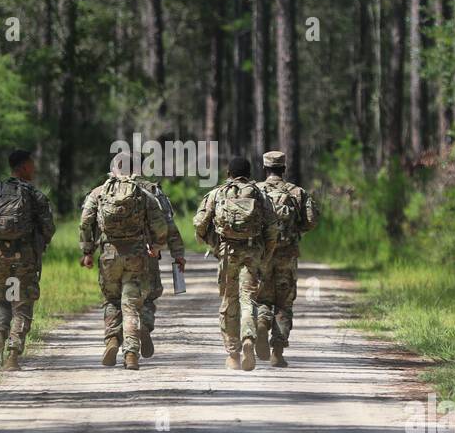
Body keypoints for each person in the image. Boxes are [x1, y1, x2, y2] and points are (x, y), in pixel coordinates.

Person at [0, 149, 56, 371]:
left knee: (1, 301)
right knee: (22, 305)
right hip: (25, 258)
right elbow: (49, 228)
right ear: (25, 166)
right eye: (32, 164)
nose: (34, 168)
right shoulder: (34, 195)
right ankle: (12, 356)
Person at [192, 156, 277, 371]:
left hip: (227, 253)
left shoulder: (218, 193)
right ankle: (248, 337)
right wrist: (265, 253)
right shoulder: (259, 194)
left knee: (229, 301)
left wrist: (210, 242)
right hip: (252, 252)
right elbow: (273, 228)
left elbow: (200, 223)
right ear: (249, 174)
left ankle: (233, 354)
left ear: (229, 173)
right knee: (248, 298)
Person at [79, 168, 169, 370]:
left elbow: (85, 221)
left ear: (113, 170)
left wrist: (87, 251)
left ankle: (111, 340)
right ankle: (130, 355)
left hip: (109, 254)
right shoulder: (143, 193)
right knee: (131, 305)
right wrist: (156, 245)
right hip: (136, 254)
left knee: (112, 300)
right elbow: (160, 225)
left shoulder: (98, 192)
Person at [255, 150, 320, 366]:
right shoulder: (297, 192)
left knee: (262, 297)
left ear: (265, 168)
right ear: (283, 169)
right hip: (287, 254)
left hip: (262, 254)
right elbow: (311, 221)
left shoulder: (256, 190)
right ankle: (277, 352)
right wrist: (295, 229)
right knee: (284, 304)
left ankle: (262, 322)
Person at [131, 174, 186, 358]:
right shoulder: (153, 191)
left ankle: (117, 336)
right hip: (149, 253)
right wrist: (177, 254)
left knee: (119, 297)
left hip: (115, 253)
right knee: (148, 295)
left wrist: (89, 251)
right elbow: (168, 225)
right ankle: (144, 325)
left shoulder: (108, 189)